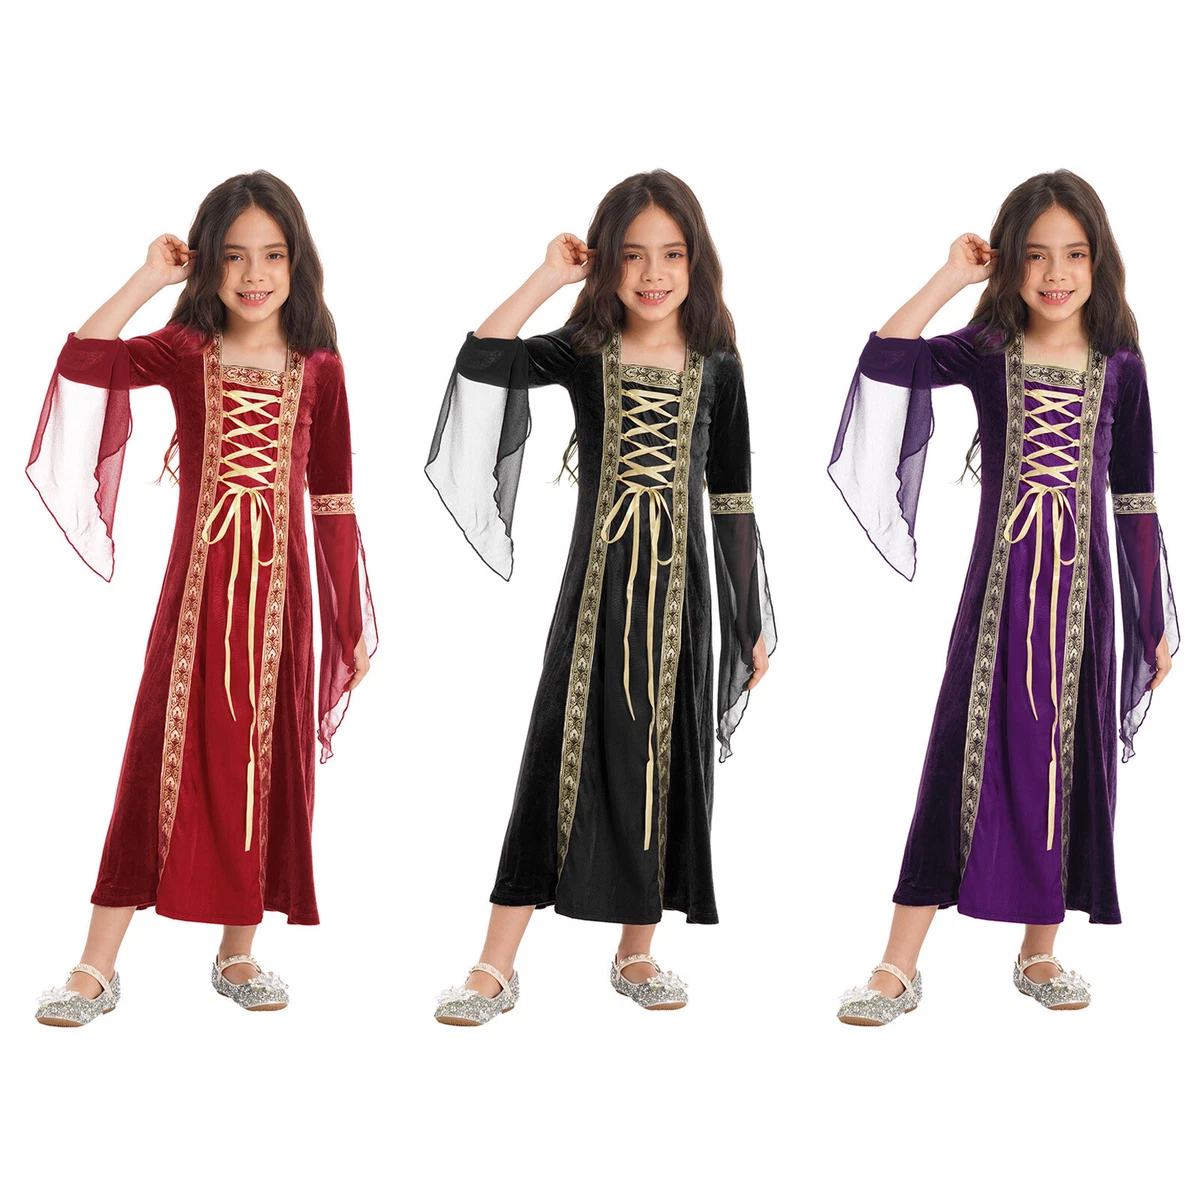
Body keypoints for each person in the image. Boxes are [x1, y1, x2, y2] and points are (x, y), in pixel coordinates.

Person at [426, 170, 776, 1025]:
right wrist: (550, 276)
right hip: (595, 597)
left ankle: (636, 952)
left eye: (671, 254)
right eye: (632, 256)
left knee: (665, 761)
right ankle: (494, 965)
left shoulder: (719, 367)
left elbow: (733, 499)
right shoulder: (587, 351)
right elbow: (484, 359)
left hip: (683, 605)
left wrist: (749, 618)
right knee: (558, 755)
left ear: (697, 261)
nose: (653, 274)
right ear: (608, 264)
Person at [829, 169, 1178, 1026]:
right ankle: (897, 965)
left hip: (1085, 610)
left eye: (1075, 254)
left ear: (1099, 261)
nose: (1056, 274)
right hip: (999, 600)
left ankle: (1039, 951)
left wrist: (1152, 616)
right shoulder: (990, 351)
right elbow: (887, 359)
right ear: (1012, 263)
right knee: (961, 754)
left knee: (1068, 762)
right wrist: (953, 276)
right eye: (1035, 256)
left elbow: (1136, 497)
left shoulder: (1121, 367)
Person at [30, 171, 376, 1027]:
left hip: (283, 608)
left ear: (298, 262)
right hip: (197, 598)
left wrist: (349, 617)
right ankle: (95, 966)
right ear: (210, 265)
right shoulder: (188, 351)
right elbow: (85, 359)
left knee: (267, 763)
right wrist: (150, 276)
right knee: (158, 757)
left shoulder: (320, 369)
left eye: (273, 255)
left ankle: (238, 953)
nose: (254, 275)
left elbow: (334, 500)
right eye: (233, 257)